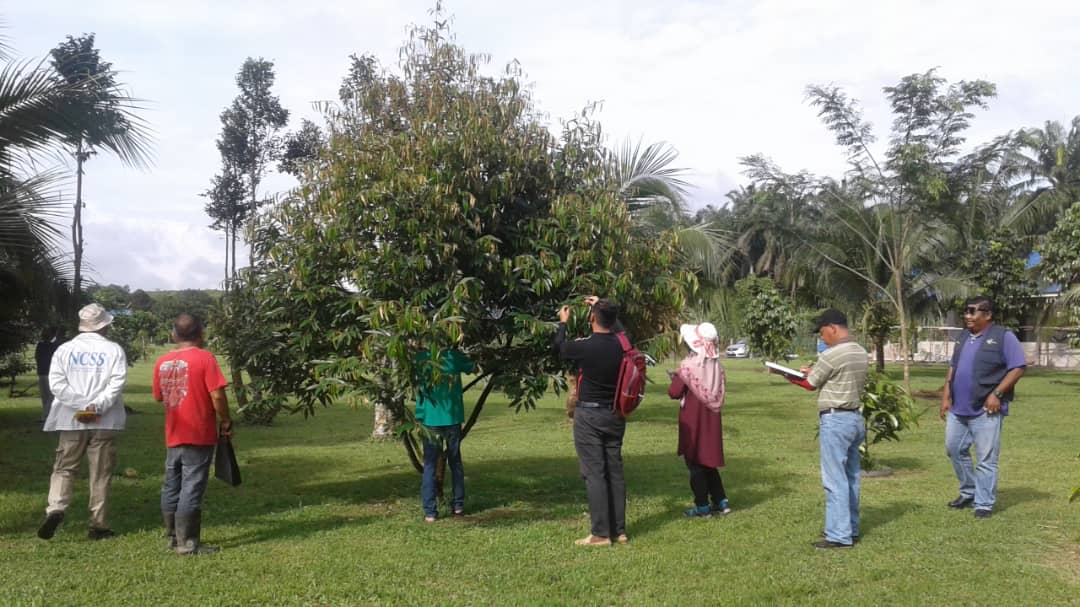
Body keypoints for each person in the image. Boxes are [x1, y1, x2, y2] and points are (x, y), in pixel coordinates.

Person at [773, 308, 868, 549]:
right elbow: (833, 376)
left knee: (834, 478)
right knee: (851, 476)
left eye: (823, 332)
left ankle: (838, 534)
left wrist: (787, 374)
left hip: (835, 420)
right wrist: (810, 372)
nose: (822, 338)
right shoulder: (859, 351)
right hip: (855, 418)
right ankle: (851, 528)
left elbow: (810, 384)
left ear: (833, 328)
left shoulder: (832, 354)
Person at [37, 304, 127, 541]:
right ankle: (98, 525)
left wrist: (80, 405)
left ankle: (56, 507)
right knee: (100, 473)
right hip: (104, 419)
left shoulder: (65, 350)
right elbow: (116, 384)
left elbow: (56, 384)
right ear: (104, 325)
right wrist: (95, 407)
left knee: (64, 467)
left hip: (71, 419)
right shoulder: (114, 350)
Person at [939, 296, 1026, 519]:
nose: (967, 316)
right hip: (959, 408)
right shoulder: (963, 336)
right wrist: (946, 396)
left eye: (972, 311)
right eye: (966, 311)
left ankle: (984, 503)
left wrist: (997, 394)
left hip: (986, 410)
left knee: (986, 457)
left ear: (987, 315)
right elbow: (953, 368)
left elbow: (1018, 368)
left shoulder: (1003, 337)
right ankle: (969, 491)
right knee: (954, 449)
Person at [152, 314, 232, 555]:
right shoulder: (205, 358)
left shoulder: (162, 361)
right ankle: (187, 544)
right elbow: (217, 395)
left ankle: (172, 537)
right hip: (198, 432)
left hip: (174, 432)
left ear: (174, 335)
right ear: (201, 333)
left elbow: (158, 396)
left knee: (171, 484)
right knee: (192, 486)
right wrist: (226, 419)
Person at [554, 295, 628, 546]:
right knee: (614, 471)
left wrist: (563, 323)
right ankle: (619, 531)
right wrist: (604, 308)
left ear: (592, 318)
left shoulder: (586, 346)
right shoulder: (622, 345)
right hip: (615, 414)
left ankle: (599, 534)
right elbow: (621, 332)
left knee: (594, 473)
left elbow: (561, 348)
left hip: (589, 416)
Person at [668, 322, 730, 517]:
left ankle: (702, 505)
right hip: (711, 419)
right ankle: (721, 500)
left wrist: (676, 377)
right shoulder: (718, 367)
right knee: (708, 461)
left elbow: (674, 392)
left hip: (694, 421)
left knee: (695, 463)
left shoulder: (688, 366)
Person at [414, 348, 474, 522]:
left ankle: (430, 512)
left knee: (430, 466)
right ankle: (458, 506)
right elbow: (471, 367)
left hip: (429, 419)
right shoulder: (453, 356)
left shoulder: (420, 357)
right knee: (455, 462)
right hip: (452, 418)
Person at [34, 327, 62, 422]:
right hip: (49, 373)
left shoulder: (41, 345)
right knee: (50, 396)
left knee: (46, 396)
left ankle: (47, 416)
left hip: (42, 373)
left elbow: (37, 358)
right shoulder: (56, 346)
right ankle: (47, 416)